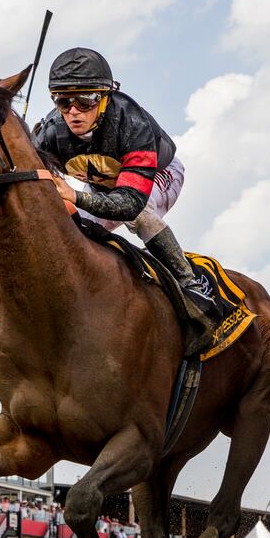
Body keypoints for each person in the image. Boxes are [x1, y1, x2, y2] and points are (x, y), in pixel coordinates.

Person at [35, 47, 220, 343]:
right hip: (103, 185)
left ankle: (191, 286)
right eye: (63, 100)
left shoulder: (132, 124)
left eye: (85, 100)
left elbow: (129, 203)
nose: (73, 111)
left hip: (157, 175)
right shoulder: (49, 132)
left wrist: (75, 197)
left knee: (140, 213)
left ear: (105, 98)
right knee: (70, 226)